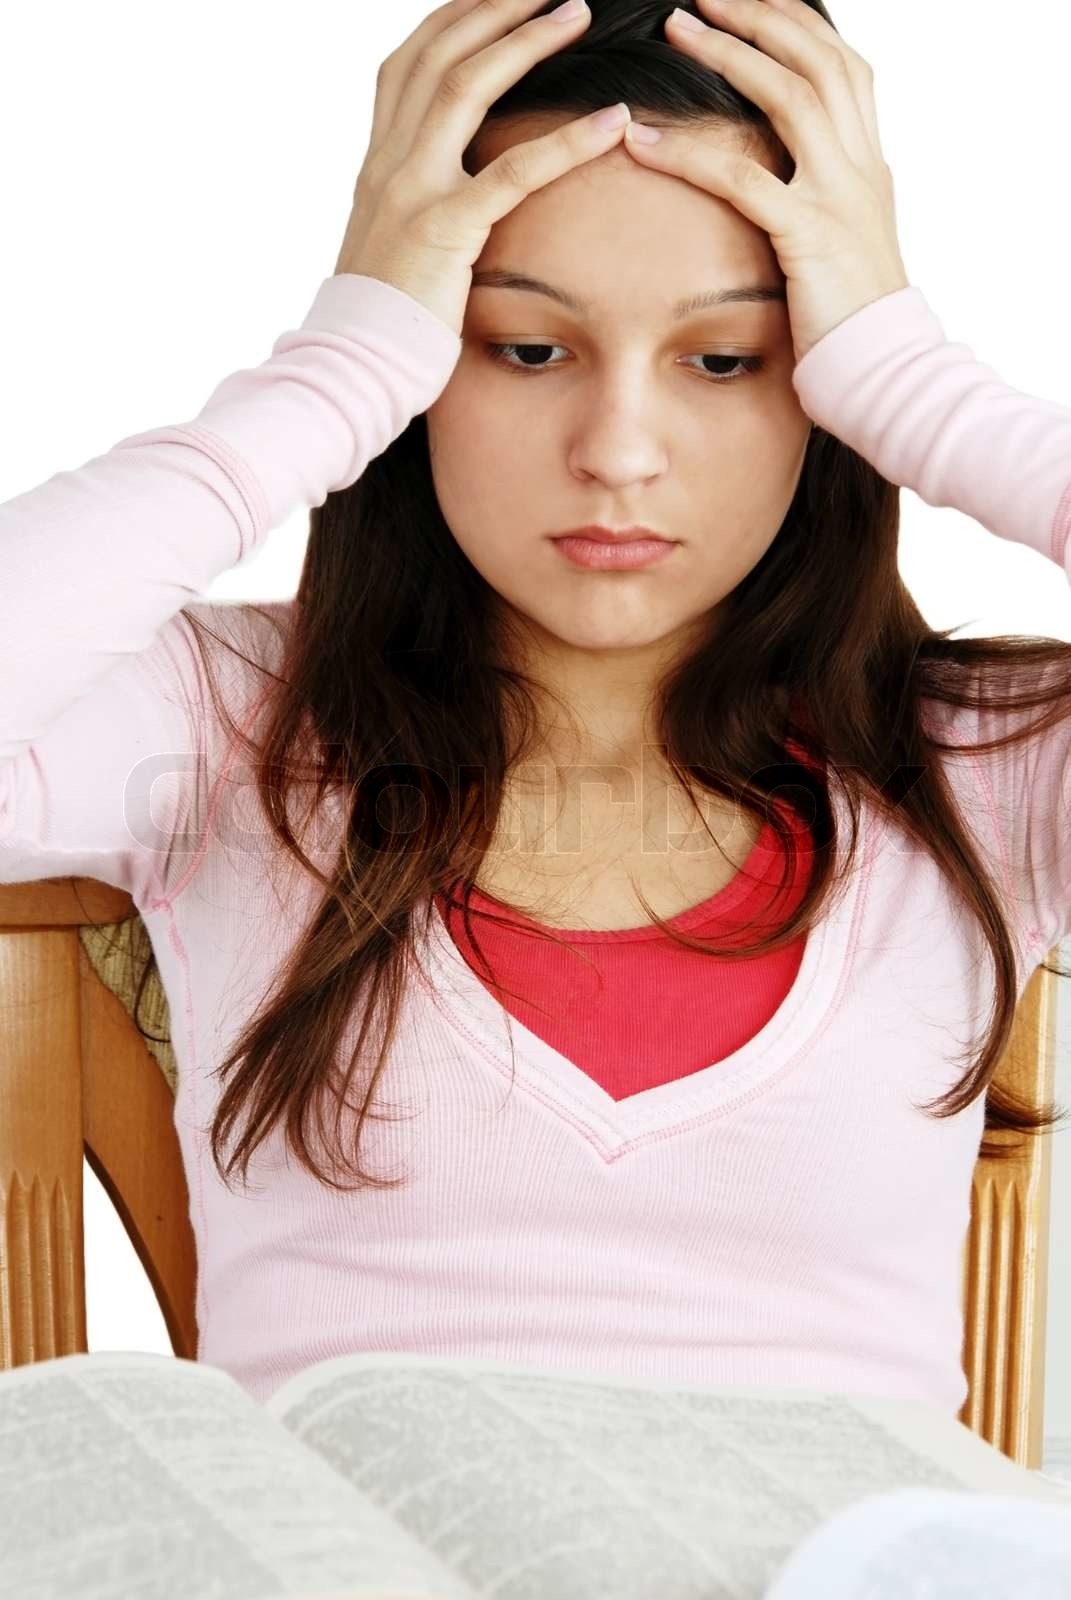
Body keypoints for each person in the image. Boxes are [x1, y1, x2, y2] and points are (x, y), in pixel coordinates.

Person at [3, 0, 1070, 1417]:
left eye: (724, 358)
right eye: (523, 347)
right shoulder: (224, 718)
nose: (618, 453)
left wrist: (926, 385)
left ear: (827, 388)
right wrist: (330, 376)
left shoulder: (988, 764)